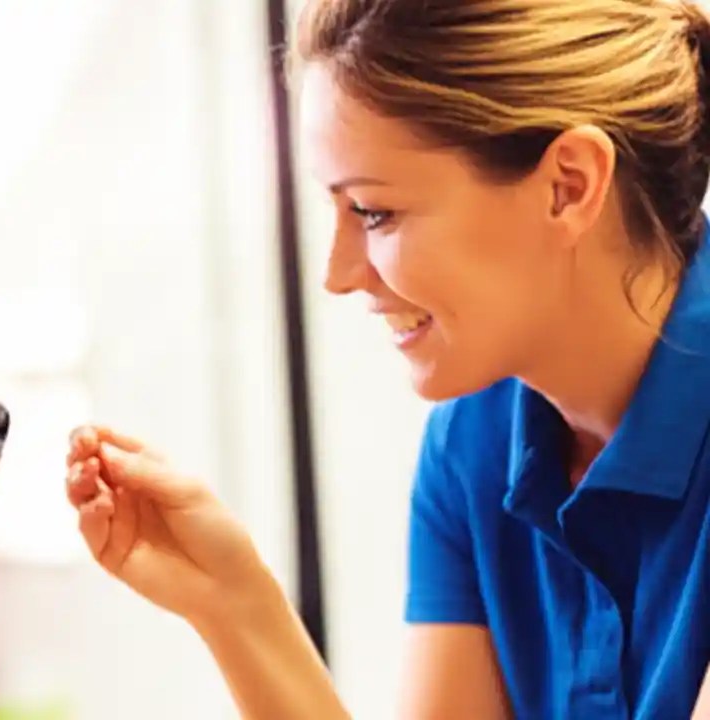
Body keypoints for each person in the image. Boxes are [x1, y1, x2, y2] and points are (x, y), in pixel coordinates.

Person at [63, 0, 710, 718]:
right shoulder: (475, 443)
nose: (339, 275)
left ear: (570, 185)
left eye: (374, 213)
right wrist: (234, 603)